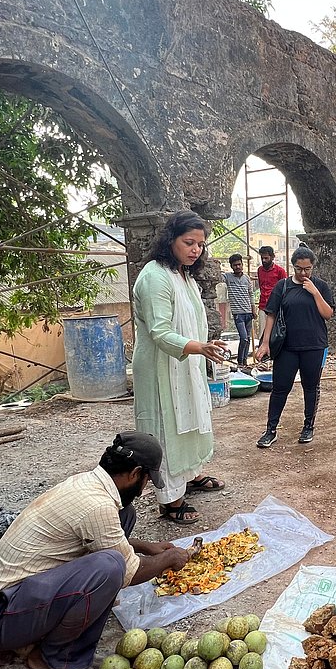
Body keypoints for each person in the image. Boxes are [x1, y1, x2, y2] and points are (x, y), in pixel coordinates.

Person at [0, 432, 193, 669]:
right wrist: (169, 559)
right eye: (146, 480)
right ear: (134, 473)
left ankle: (64, 618)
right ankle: (53, 657)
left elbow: (100, 537)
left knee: (126, 514)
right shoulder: (98, 506)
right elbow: (129, 572)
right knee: (111, 567)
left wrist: (144, 546)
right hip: (1, 620)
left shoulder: (89, 483)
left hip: (21, 599)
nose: (144, 489)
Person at [133, 211, 229, 524]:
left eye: (201, 244)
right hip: (162, 367)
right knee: (167, 426)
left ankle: (190, 475)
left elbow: (194, 321)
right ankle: (170, 500)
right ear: (170, 239)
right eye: (189, 242)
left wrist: (203, 346)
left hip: (187, 362)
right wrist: (199, 348)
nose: (196, 250)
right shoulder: (154, 276)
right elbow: (160, 331)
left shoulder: (183, 275)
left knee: (190, 417)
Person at [255, 245, 336, 447]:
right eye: (299, 269)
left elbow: (328, 314)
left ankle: (308, 427)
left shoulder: (321, 286)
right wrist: (265, 344)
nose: (303, 273)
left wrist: (315, 293)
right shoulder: (282, 287)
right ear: (292, 267)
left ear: (312, 267)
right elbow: (271, 314)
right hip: (287, 348)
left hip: (314, 346)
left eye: (307, 269)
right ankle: (271, 430)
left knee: (311, 387)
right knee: (280, 388)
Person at [223, 253, 258, 370]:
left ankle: (244, 362)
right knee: (243, 338)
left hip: (248, 313)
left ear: (242, 265)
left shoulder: (247, 278)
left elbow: (251, 294)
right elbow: (217, 277)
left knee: (248, 338)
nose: (237, 267)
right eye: (235, 265)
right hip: (238, 314)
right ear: (231, 266)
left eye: (239, 264)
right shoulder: (227, 277)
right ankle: (239, 361)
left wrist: (254, 310)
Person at [256, 245, 287, 313]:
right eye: (262, 258)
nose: (264, 260)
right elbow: (261, 287)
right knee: (262, 324)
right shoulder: (260, 270)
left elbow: (285, 289)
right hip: (263, 305)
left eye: (266, 258)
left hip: (275, 306)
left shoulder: (280, 271)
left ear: (272, 257)